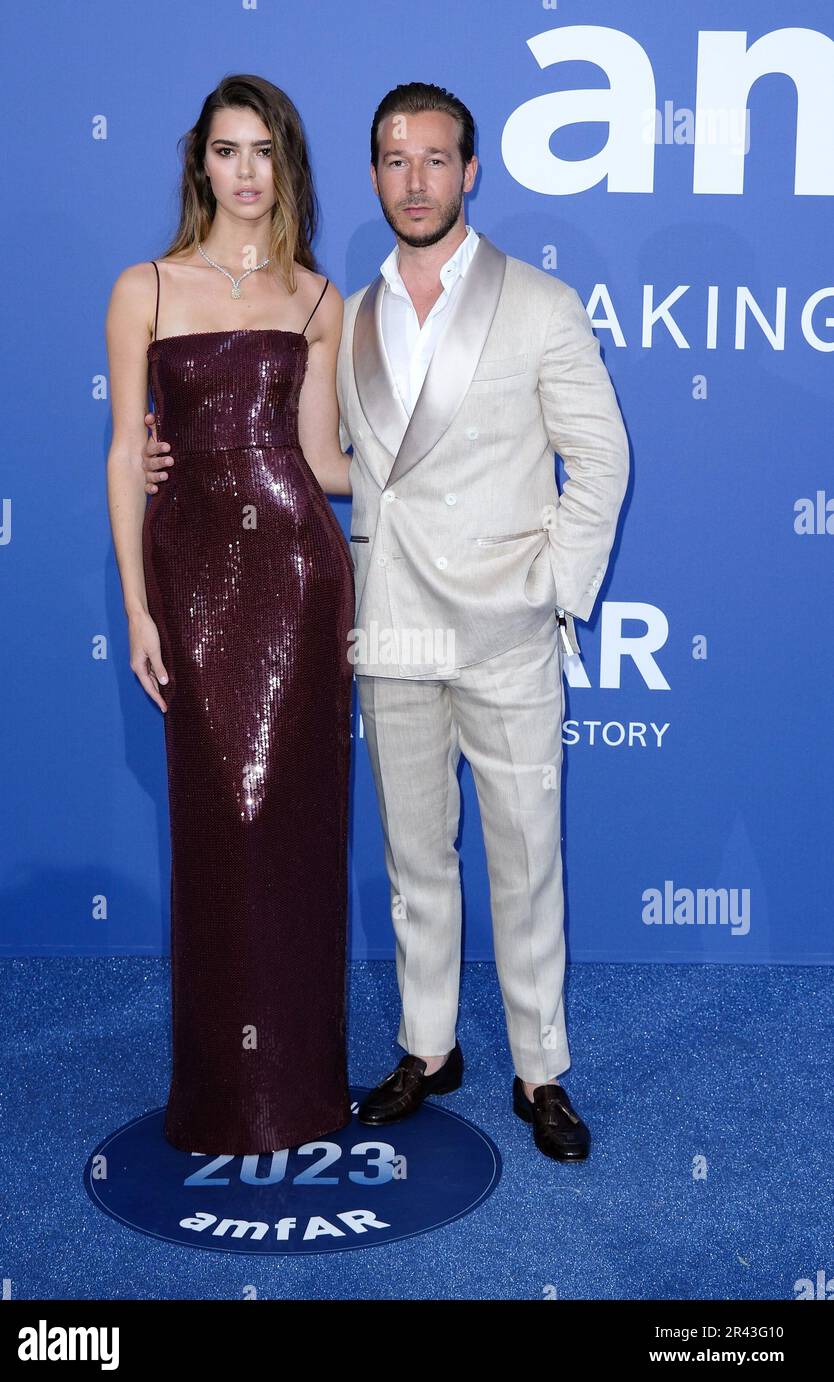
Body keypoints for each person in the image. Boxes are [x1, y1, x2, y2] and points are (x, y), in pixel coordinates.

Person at [143, 82, 629, 1165]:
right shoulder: (340, 313)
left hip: (505, 628)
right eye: (395, 162)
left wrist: (552, 584)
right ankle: (425, 1045)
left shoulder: (538, 304)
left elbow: (600, 458)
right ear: (372, 177)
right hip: (389, 623)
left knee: (523, 858)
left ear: (469, 172)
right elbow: (324, 465)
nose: (415, 181)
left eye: (435, 160)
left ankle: (539, 1068)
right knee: (415, 854)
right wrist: (188, 451)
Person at [105, 73, 356, 1156]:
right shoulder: (145, 289)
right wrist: (136, 607)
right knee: (219, 831)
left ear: (285, 165)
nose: (244, 172)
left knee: (294, 833)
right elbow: (126, 453)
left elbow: (322, 462)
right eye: (225, 150)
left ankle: (300, 1090)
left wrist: (448, 461)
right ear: (198, 163)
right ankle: (217, 1095)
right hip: (192, 580)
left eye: (263, 151)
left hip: (297, 577)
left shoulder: (316, 297)